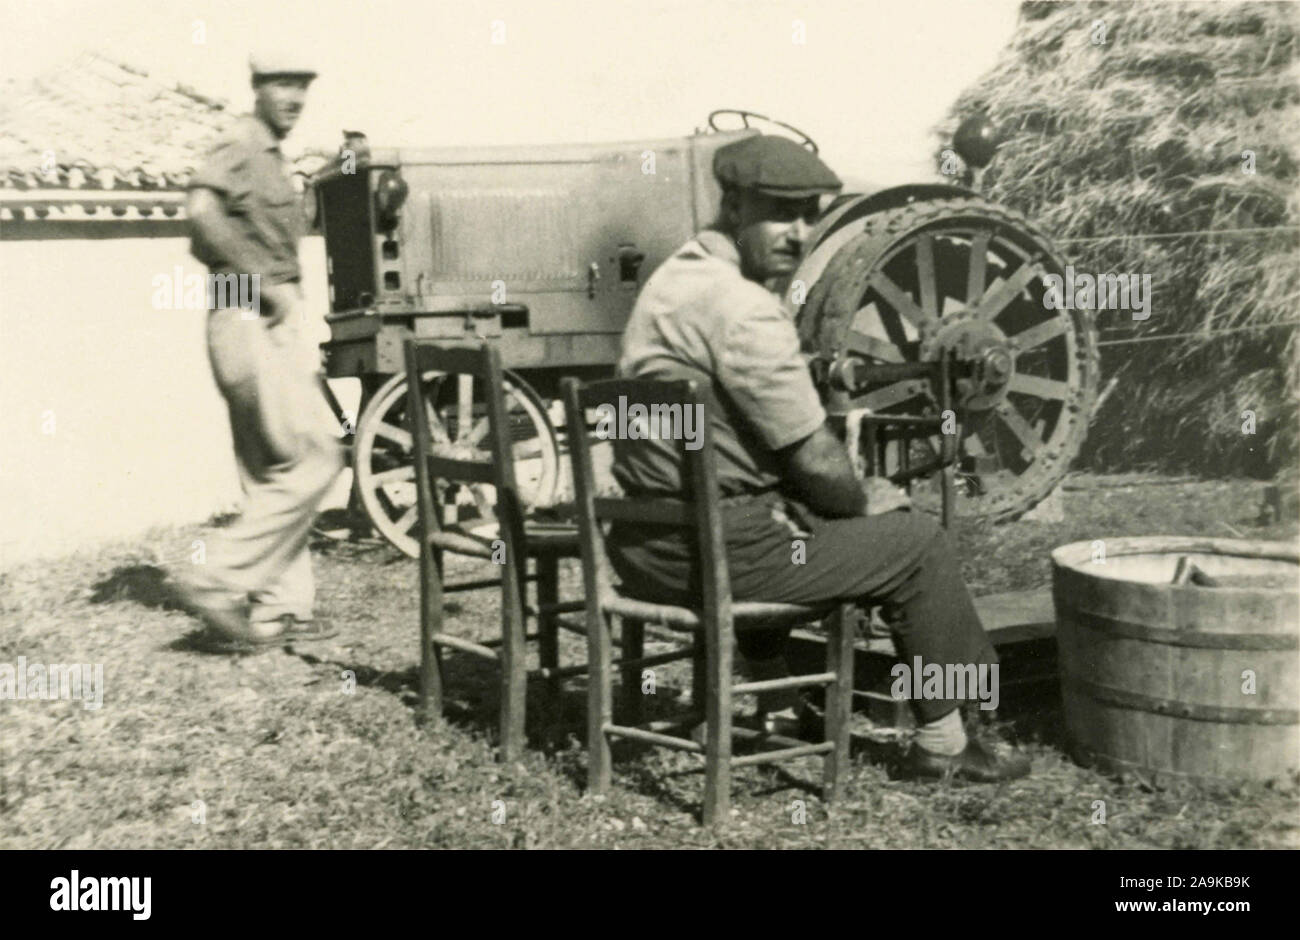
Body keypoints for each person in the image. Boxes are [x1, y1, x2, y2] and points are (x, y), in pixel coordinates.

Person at [607, 134, 1029, 781]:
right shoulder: (743, 308)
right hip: (715, 553)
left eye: (810, 212)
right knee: (915, 543)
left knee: (786, 516)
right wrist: (865, 499)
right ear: (736, 206)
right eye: (782, 211)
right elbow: (816, 461)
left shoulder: (674, 279)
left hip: (642, 544)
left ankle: (775, 704)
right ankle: (944, 743)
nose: (799, 231)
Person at [174, 52, 342, 652]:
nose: (294, 97)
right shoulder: (242, 143)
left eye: (302, 84)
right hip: (250, 313)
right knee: (317, 457)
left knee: (273, 466)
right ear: (257, 88)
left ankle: (278, 610)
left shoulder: (272, 155)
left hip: (253, 314)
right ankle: (216, 582)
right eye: (282, 84)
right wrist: (264, 286)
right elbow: (200, 214)